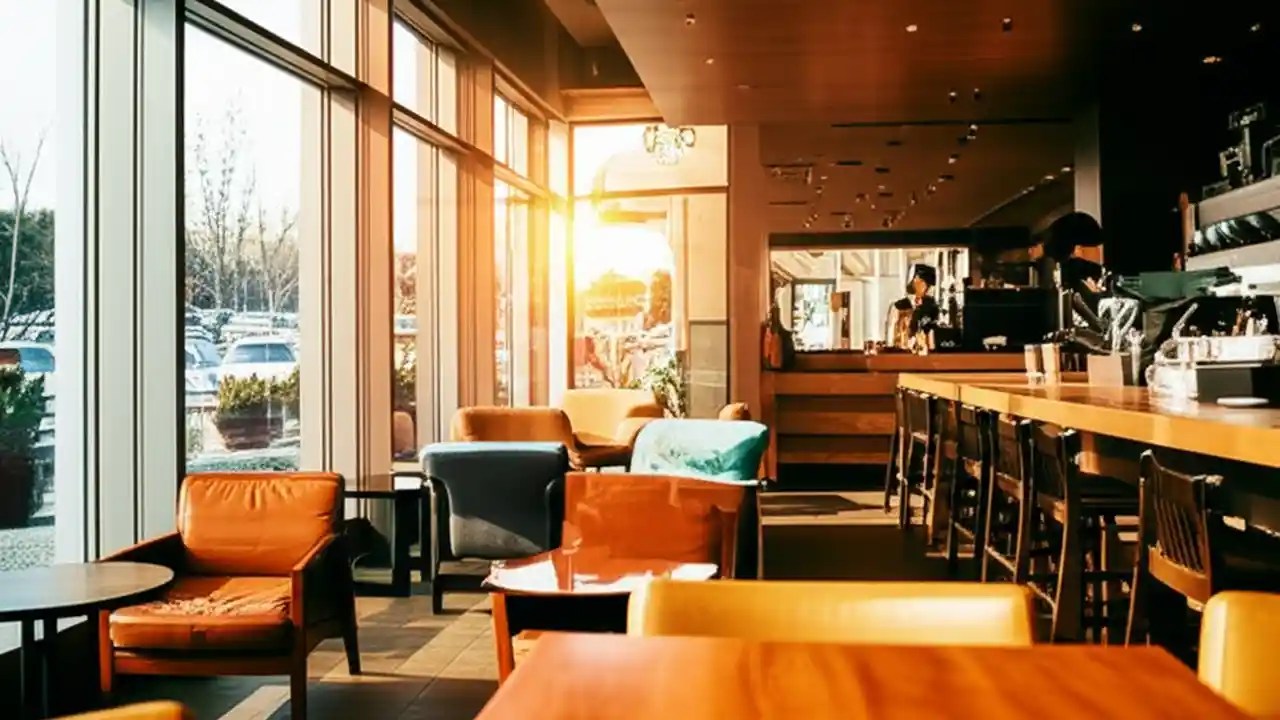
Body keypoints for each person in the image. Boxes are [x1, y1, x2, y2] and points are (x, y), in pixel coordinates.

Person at [885, 263, 940, 351]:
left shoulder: (932, 308)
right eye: (919, 281)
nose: (925, 288)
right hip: (901, 355)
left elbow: (932, 336)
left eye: (926, 284)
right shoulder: (898, 307)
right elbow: (890, 339)